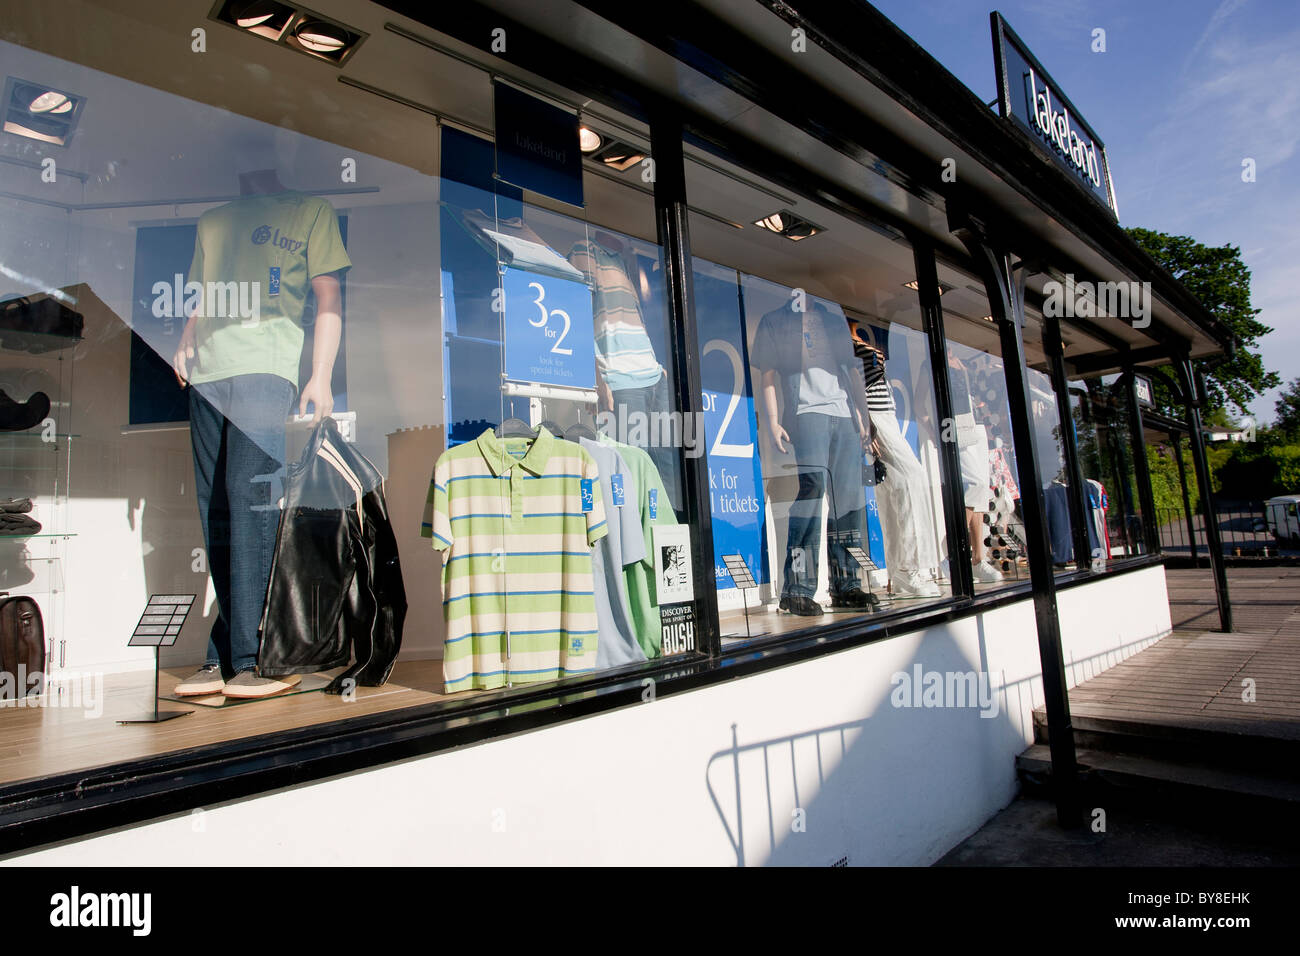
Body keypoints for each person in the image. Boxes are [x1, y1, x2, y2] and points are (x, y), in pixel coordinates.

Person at [170, 167, 351, 698]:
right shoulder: (213, 221)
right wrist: (185, 340)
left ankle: (258, 657)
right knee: (217, 511)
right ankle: (225, 654)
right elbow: (205, 297)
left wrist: (320, 374)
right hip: (208, 371)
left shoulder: (310, 209)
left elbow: (328, 297)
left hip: (265, 367)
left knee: (251, 504)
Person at [751, 297, 876, 616]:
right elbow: (768, 374)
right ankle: (796, 590)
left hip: (845, 415)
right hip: (807, 414)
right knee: (811, 496)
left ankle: (846, 585)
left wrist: (863, 416)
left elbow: (851, 371)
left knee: (848, 502)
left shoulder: (832, 319)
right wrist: (773, 421)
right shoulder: (775, 319)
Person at [847, 319, 940, 597]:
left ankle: (899, 571)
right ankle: (909, 568)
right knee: (912, 480)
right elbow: (852, 384)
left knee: (892, 491)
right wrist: (867, 424)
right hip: (876, 418)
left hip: (886, 416)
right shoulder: (849, 344)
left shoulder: (867, 339)